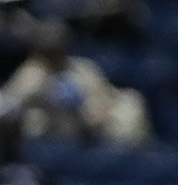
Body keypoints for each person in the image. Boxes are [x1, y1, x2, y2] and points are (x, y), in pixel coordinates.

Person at [0, 21, 149, 145]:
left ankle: (129, 152)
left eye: (58, 47)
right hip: (55, 127)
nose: (55, 53)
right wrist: (44, 92)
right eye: (50, 49)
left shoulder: (83, 67)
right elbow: (11, 102)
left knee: (131, 100)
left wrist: (97, 109)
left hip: (92, 122)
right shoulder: (30, 73)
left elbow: (105, 95)